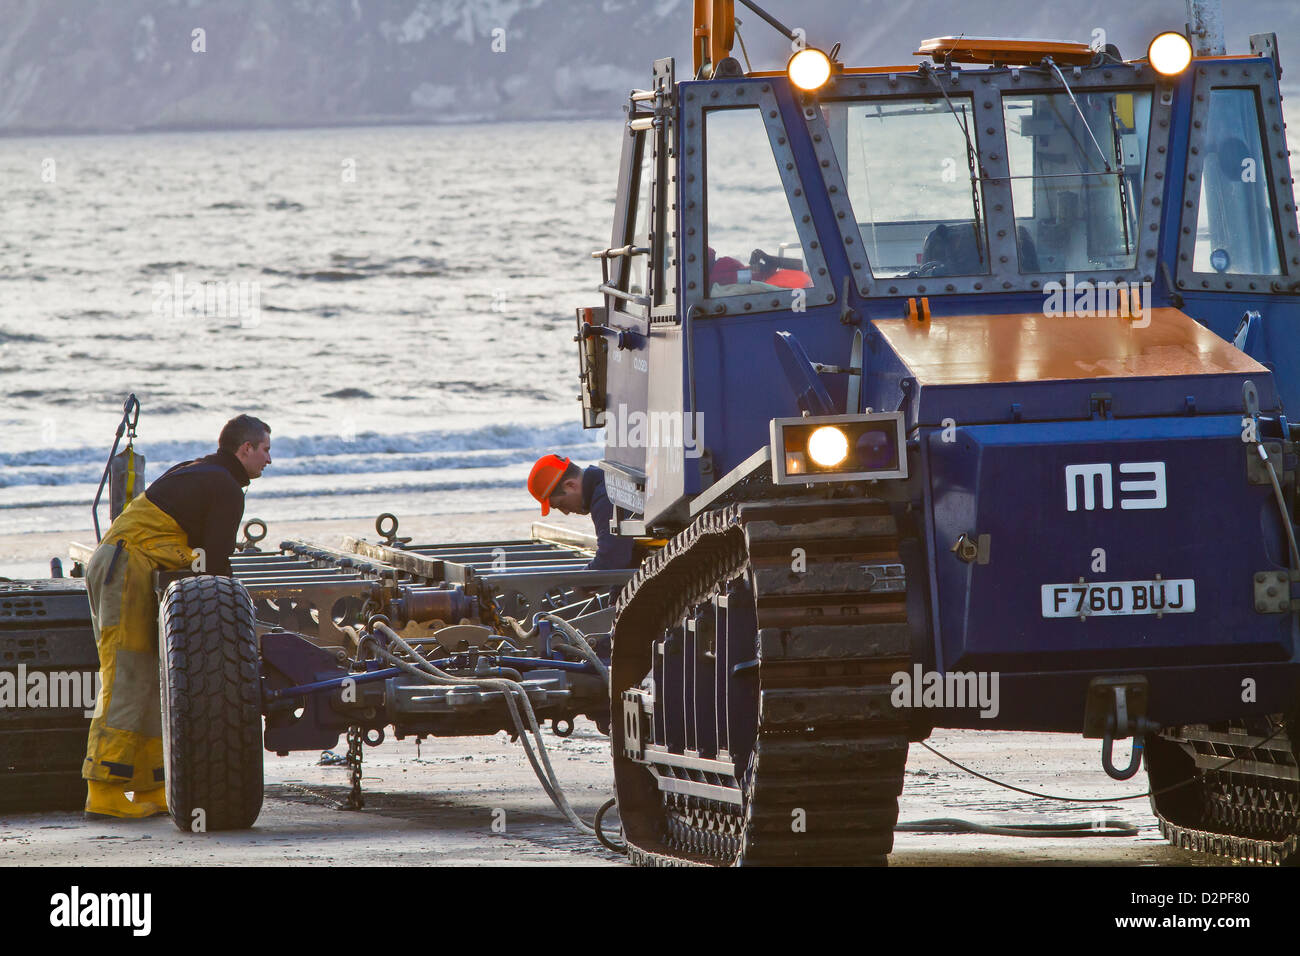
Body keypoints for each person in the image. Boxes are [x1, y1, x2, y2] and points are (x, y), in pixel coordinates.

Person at [81, 414, 271, 819]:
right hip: (125, 567)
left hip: (127, 565)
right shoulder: (225, 487)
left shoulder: (201, 471)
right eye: (266, 450)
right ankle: (103, 790)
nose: (269, 460)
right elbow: (216, 566)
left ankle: (150, 786)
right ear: (245, 449)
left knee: (153, 676)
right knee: (128, 674)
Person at [527, 454, 637, 570]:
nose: (565, 512)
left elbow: (612, 558)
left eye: (560, 504)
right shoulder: (604, 479)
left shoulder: (606, 498)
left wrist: (581, 585)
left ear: (570, 485)